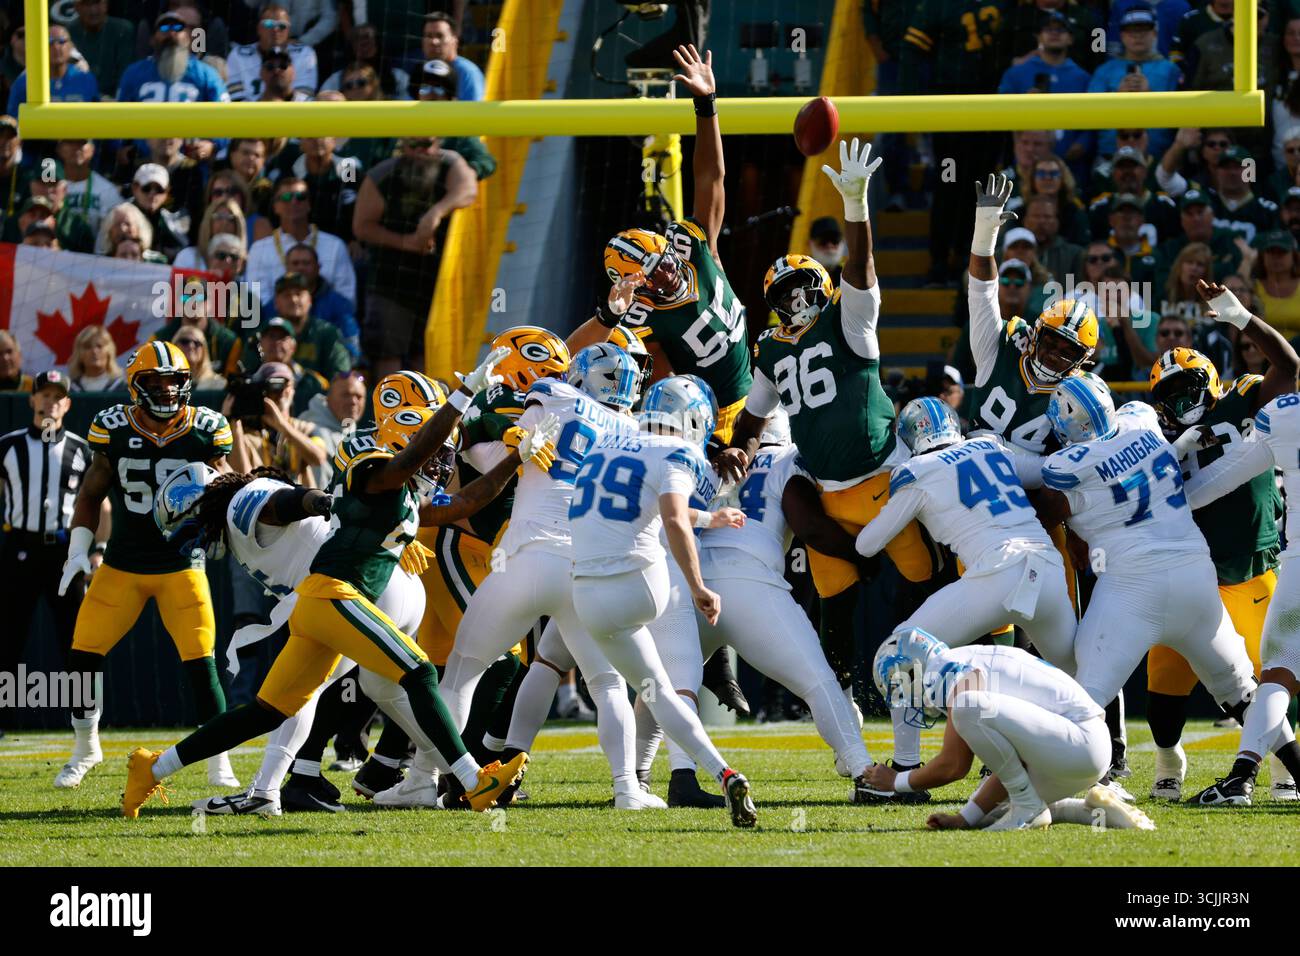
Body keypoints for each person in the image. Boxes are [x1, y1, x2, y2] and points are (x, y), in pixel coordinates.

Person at [121, 348, 546, 818]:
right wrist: (461, 398)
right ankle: (470, 780)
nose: (440, 462)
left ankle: (154, 769)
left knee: (267, 711)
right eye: (431, 450)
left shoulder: (398, 490)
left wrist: (514, 458)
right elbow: (295, 500)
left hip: (322, 605)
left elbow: (464, 503)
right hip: (334, 595)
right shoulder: (367, 472)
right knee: (420, 673)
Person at [727, 140, 935, 740]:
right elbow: (753, 417)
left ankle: (913, 695)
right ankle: (847, 716)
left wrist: (856, 204)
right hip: (826, 495)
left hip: (885, 483)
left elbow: (862, 270)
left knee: (923, 589)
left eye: (803, 287)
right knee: (834, 612)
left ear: (822, 287)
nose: (795, 299)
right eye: (784, 293)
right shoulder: (769, 349)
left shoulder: (849, 318)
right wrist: (738, 448)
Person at [437, 343, 669, 810]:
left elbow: (518, 448)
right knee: (606, 685)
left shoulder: (553, 394)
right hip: (586, 569)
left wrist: (486, 431)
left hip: (526, 553)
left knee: (462, 670)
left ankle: (433, 780)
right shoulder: (636, 433)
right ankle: (627, 788)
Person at [1037, 373, 1265, 798]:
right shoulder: (1140, 421)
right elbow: (1156, 463)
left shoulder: (1066, 464)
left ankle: (1086, 777)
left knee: (1087, 691)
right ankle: (1290, 771)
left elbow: (1054, 500)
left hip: (1132, 584)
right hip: (1193, 569)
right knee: (1241, 687)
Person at [852, 396, 1076, 799]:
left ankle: (904, 769)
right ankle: (1100, 766)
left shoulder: (916, 470)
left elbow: (867, 544)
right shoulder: (991, 446)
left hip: (997, 573)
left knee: (901, 649)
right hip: (1046, 566)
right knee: (1080, 675)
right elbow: (1043, 472)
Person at [566, 374, 758, 827]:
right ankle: (723, 772)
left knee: (635, 690)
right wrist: (698, 587)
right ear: (692, 419)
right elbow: (671, 517)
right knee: (661, 690)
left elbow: (646, 502)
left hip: (589, 596)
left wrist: (710, 516)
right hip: (641, 587)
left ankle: (627, 788)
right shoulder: (679, 451)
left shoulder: (606, 442)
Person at [53, 342, 239, 790]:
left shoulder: (206, 429)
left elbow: (229, 484)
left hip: (181, 565)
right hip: (123, 564)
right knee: (83, 655)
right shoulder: (113, 427)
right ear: (136, 386)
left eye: (173, 382)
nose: (166, 390)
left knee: (201, 664)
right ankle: (85, 747)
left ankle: (219, 762)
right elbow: (91, 493)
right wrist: (79, 547)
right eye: (155, 382)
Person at [1142, 280, 1300, 799]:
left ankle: (1281, 772)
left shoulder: (1247, 397)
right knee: (1165, 686)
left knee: (1272, 677)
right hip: (1192, 574)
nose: (1183, 400)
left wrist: (1241, 317)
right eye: (1171, 393)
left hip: (1253, 566)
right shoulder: (1153, 440)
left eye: (1190, 386)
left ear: (1211, 381)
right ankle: (1169, 757)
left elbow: (1290, 366)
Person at [568, 46, 749, 444]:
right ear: (636, 287)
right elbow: (572, 355)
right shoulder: (642, 318)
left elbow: (711, 177)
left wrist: (706, 105)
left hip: (756, 399)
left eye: (663, 261)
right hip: (711, 420)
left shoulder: (695, 248)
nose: (667, 272)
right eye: (651, 274)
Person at [865, 630, 1154, 832]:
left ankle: (1029, 808)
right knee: (989, 813)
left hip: (1080, 742)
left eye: (899, 683)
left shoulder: (947, 668)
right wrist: (965, 818)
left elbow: (954, 765)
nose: (906, 698)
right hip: (1073, 749)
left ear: (914, 668)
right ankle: (1093, 810)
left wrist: (897, 782)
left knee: (968, 705)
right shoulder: (966, 659)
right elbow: (1008, 763)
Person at [1183, 390, 1300, 805]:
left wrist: (1163, 501)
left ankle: (1241, 778)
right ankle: (1245, 775)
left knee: (1278, 673)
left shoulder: (1287, 415)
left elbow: (1221, 478)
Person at [0, 370, 96, 729]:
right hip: (19, 548)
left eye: (57, 397)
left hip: (65, 552)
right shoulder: (8, 446)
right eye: (44, 395)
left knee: (78, 639)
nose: (50, 402)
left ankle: (84, 722)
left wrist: (96, 549)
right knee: (8, 638)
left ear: (67, 404)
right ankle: (2, 720)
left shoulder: (81, 449)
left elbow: (100, 504)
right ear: (32, 399)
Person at [352, 135, 477, 376]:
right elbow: (362, 227)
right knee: (388, 353)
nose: (420, 151)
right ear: (403, 148)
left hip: (437, 279)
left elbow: (468, 189)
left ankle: (429, 410)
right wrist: (407, 243)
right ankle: (393, 409)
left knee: (428, 352)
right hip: (390, 280)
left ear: (437, 145)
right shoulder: (383, 175)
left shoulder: (450, 163)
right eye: (413, 145)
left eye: (427, 145)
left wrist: (434, 214)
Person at [117, 11, 228, 165]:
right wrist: (121, 147)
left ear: (188, 38)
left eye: (178, 27)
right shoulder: (134, 73)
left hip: (189, 165)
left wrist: (212, 145)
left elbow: (225, 116)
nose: (171, 32)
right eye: (164, 28)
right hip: (142, 161)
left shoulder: (206, 74)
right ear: (152, 39)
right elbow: (118, 116)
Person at [1087, 3, 1182, 160]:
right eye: (1132, 31)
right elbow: (1089, 115)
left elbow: (1180, 115)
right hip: (1110, 157)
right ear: (1122, 35)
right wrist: (1117, 96)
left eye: (1144, 30)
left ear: (1155, 34)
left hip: (1158, 158)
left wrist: (1150, 96)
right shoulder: (1104, 71)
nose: (1138, 36)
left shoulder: (1171, 70)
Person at [245, 177, 355, 306]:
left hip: (327, 321)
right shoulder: (259, 249)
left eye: (300, 197)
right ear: (275, 207)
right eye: (286, 197)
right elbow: (257, 298)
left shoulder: (335, 246)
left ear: (309, 204)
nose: (294, 201)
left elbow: (347, 298)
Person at [224, 361, 327, 485]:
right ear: (262, 392)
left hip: (300, 502)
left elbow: (319, 458)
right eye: (275, 387)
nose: (282, 392)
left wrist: (282, 426)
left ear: (293, 390)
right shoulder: (246, 436)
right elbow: (242, 480)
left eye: (286, 384)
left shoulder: (305, 428)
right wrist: (234, 426)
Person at [247, 272, 351, 382]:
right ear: (276, 302)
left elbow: (340, 377)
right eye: (287, 295)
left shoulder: (328, 334)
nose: (293, 299)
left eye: (299, 293)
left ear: (310, 300)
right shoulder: (262, 334)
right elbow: (247, 372)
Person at [415, 59, 497, 180]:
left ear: (451, 97)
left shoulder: (458, 131)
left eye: (439, 88)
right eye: (425, 87)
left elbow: (486, 161)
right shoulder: (399, 123)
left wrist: (464, 174)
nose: (431, 94)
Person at [227, 4, 317, 102]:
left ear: (289, 31)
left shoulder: (304, 54)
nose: (275, 30)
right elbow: (236, 100)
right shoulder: (239, 55)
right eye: (269, 24)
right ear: (258, 29)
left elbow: (305, 99)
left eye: (282, 26)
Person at [6, 24, 99, 117]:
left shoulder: (86, 79)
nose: (56, 47)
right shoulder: (25, 83)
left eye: (62, 41)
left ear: (71, 46)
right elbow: (14, 121)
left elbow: (97, 117)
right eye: (49, 42)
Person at [298, 370, 364, 488]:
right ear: (328, 398)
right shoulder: (309, 430)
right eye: (346, 395)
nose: (353, 401)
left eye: (359, 397)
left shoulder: (351, 429)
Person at [1209, 146, 1279, 245]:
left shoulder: (1268, 211)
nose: (1232, 172)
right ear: (1217, 172)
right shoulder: (1205, 205)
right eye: (1226, 167)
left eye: (1238, 167)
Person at [67, 0, 136, 97]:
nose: (93, 10)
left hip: (113, 99)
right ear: (76, 8)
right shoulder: (68, 33)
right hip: (78, 97)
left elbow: (125, 73)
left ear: (106, 5)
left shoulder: (122, 30)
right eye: (86, 4)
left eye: (97, 3)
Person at [56, 140, 123, 236]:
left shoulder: (107, 190)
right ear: (59, 149)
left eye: (82, 142)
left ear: (92, 149)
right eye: (70, 141)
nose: (76, 147)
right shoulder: (47, 185)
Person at [128, 164, 188, 263]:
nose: (152, 194)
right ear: (135, 188)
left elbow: (182, 256)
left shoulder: (171, 222)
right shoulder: (119, 216)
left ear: (167, 192)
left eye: (159, 189)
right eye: (146, 188)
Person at [419, 12, 484, 101]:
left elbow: (475, 112)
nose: (433, 42)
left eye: (440, 36)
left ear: (454, 41)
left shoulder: (468, 73)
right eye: (429, 36)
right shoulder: (419, 71)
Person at [1247, 229, 1300, 338]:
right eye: (1271, 252)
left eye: (1282, 252)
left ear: (1294, 255)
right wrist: (1248, 261)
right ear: (1262, 256)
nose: (1276, 258)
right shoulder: (1252, 287)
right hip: (1262, 352)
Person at [174, 201, 247, 271]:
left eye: (230, 218)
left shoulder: (247, 263)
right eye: (219, 217)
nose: (224, 223)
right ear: (208, 222)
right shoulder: (187, 256)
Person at [67, 326, 125, 392]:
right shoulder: (68, 390)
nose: (94, 351)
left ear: (109, 352)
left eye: (99, 346)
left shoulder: (124, 388)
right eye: (88, 347)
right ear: (79, 353)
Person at [171, 326, 226, 391]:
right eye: (185, 341)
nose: (191, 346)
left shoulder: (219, 384)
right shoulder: (165, 382)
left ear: (204, 350)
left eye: (197, 343)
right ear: (174, 346)